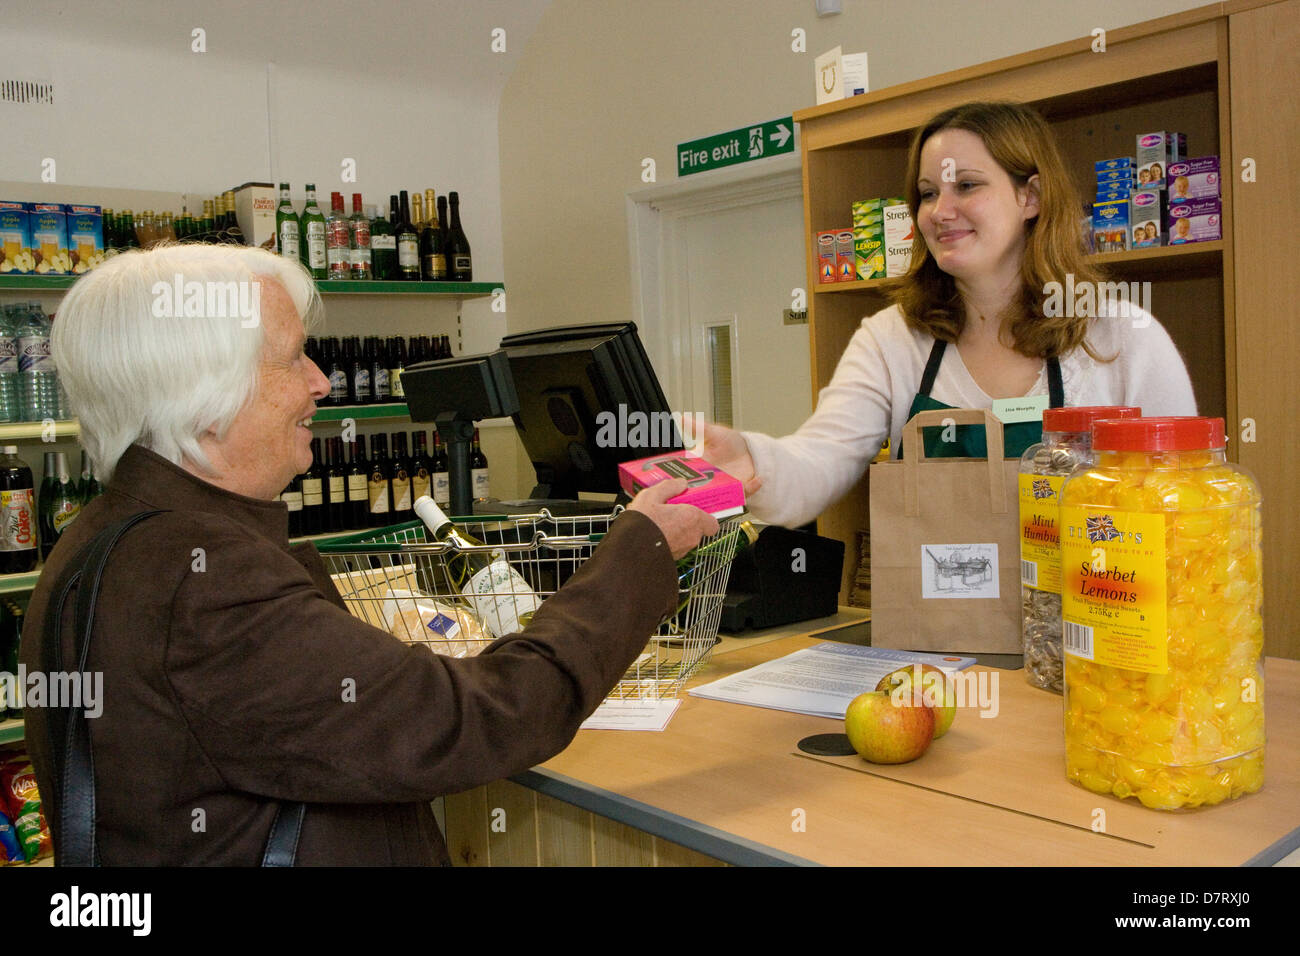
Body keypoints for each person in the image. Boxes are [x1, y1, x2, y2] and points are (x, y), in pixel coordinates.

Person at [21, 243, 717, 865]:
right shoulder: (206, 582)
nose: (321, 382)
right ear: (207, 400)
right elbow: (475, 721)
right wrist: (641, 547)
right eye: (293, 356)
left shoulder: (104, 537)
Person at [702, 101, 1196, 529]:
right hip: (933, 633)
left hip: (1097, 627)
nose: (941, 211)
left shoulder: (1120, 335)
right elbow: (818, 464)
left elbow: (1185, 505)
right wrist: (748, 457)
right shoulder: (891, 339)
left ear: (1032, 197)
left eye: (966, 185)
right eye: (929, 192)